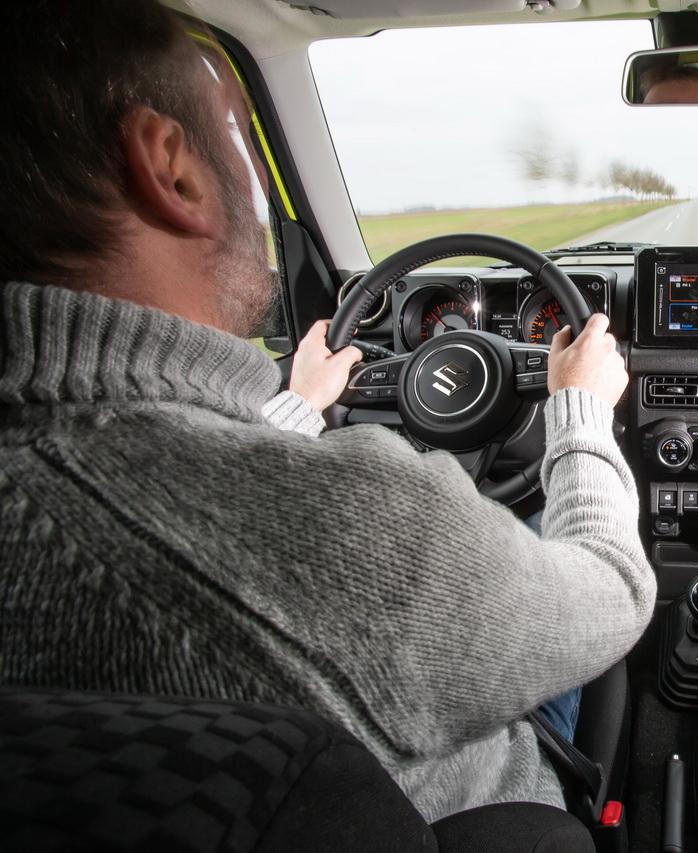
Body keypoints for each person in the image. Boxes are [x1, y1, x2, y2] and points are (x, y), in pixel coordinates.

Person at [0, 0, 655, 825]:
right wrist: (582, 411)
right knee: (534, 543)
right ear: (170, 166)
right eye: (243, 138)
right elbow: (614, 592)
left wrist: (297, 407)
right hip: (477, 820)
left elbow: (167, 506)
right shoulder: (360, 524)